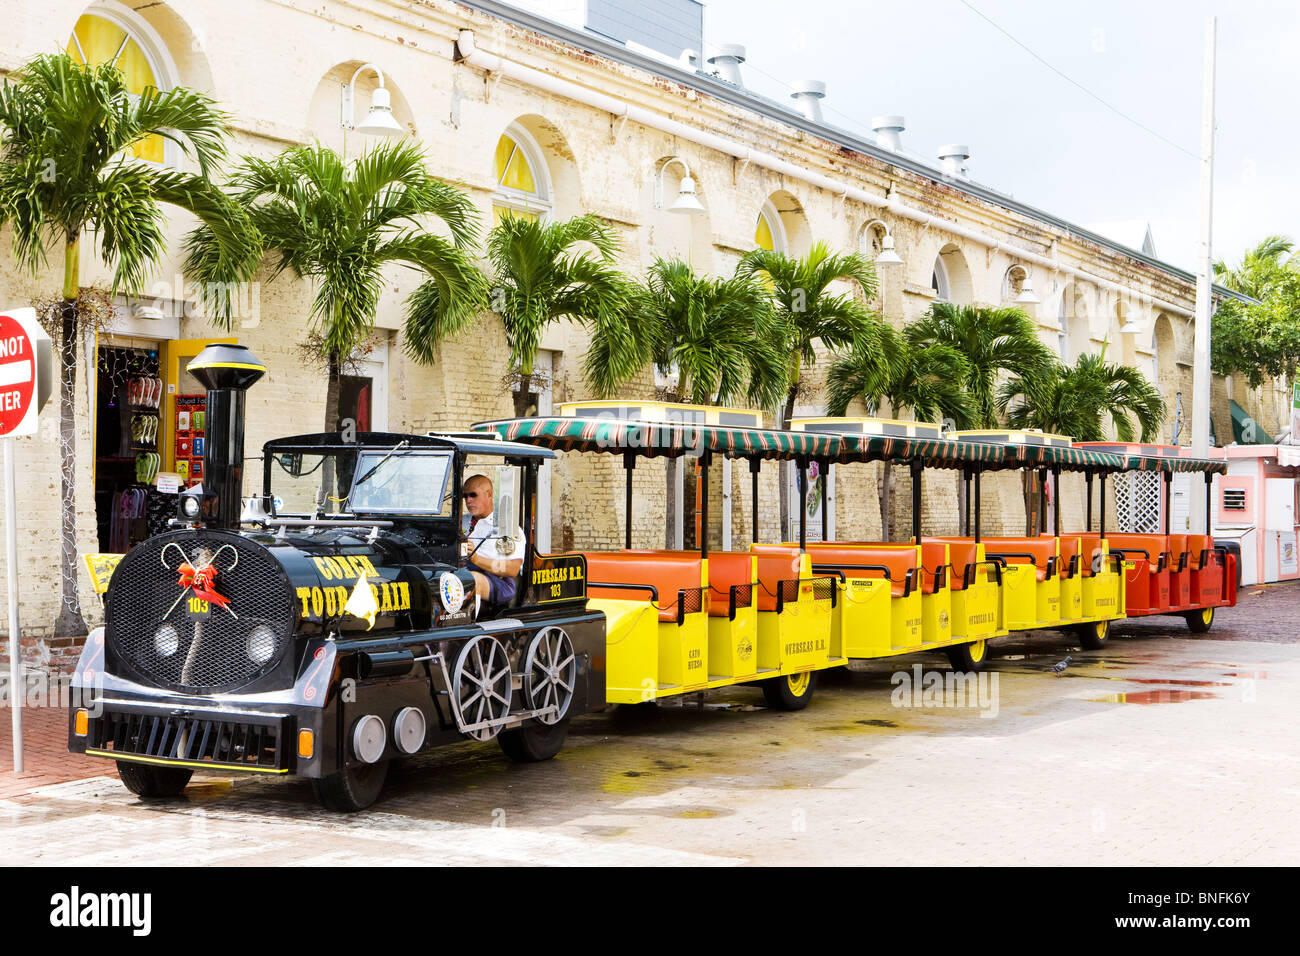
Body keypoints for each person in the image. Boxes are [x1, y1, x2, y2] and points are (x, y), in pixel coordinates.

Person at [462, 473, 526, 605]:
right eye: (465, 496)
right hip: (462, 571)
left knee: (470, 580)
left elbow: (512, 569)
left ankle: (462, 624)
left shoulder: (505, 527)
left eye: (473, 495)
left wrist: (475, 558)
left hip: (498, 581)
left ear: (489, 494)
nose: (468, 500)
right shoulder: (462, 521)